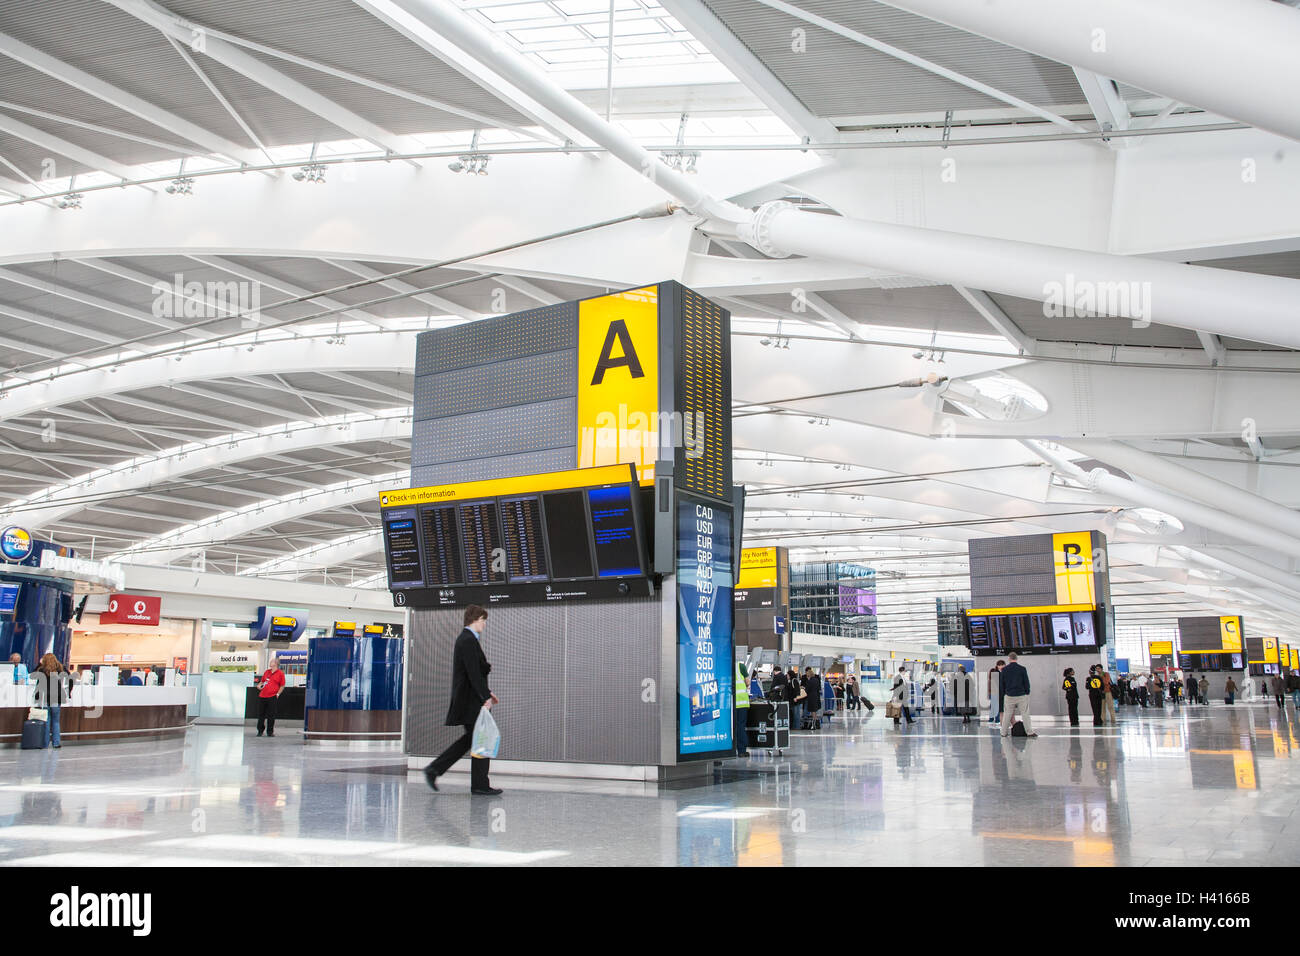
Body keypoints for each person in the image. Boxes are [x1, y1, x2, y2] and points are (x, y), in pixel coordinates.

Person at [425, 605, 500, 795]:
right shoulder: (467, 640)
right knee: (479, 739)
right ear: (475, 619)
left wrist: (487, 692)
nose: (484, 624)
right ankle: (478, 784)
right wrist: (485, 697)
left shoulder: (468, 640)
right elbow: (473, 672)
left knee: (472, 739)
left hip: (471, 699)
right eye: (483, 620)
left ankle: (437, 769)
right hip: (471, 702)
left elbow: (473, 673)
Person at [33, 653, 70, 749]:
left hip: (45, 698)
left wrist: (39, 664)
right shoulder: (60, 669)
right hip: (57, 698)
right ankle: (56, 743)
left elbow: (33, 675)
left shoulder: (42, 670)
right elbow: (70, 677)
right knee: (56, 722)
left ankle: (45, 744)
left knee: (47, 721)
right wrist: (69, 691)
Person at [999, 652, 1037, 737]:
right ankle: (1029, 732)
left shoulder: (1004, 670)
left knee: (1007, 714)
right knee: (1025, 714)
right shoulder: (1022, 669)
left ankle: (1003, 732)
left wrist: (1004, 693)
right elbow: (1026, 682)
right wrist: (1027, 692)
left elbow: (1002, 684)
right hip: (1021, 695)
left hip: (1009, 695)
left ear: (1009, 659)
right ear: (1016, 658)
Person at [254, 656, 286, 737]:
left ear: (275, 664)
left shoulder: (280, 673)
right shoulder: (267, 672)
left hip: (272, 696)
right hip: (263, 696)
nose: (270, 663)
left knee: (271, 715)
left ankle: (270, 731)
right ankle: (260, 730)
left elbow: (282, 685)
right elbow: (262, 681)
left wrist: (277, 694)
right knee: (261, 714)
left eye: (271, 662)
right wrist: (259, 685)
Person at [734, 661, 750, 757]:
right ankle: (742, 750)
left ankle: (731, 750)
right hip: (741, 702)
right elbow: (747, 682)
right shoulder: (740, 666)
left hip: (728, 702)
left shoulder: (723, 665)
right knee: (740, 726)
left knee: (731, 727)